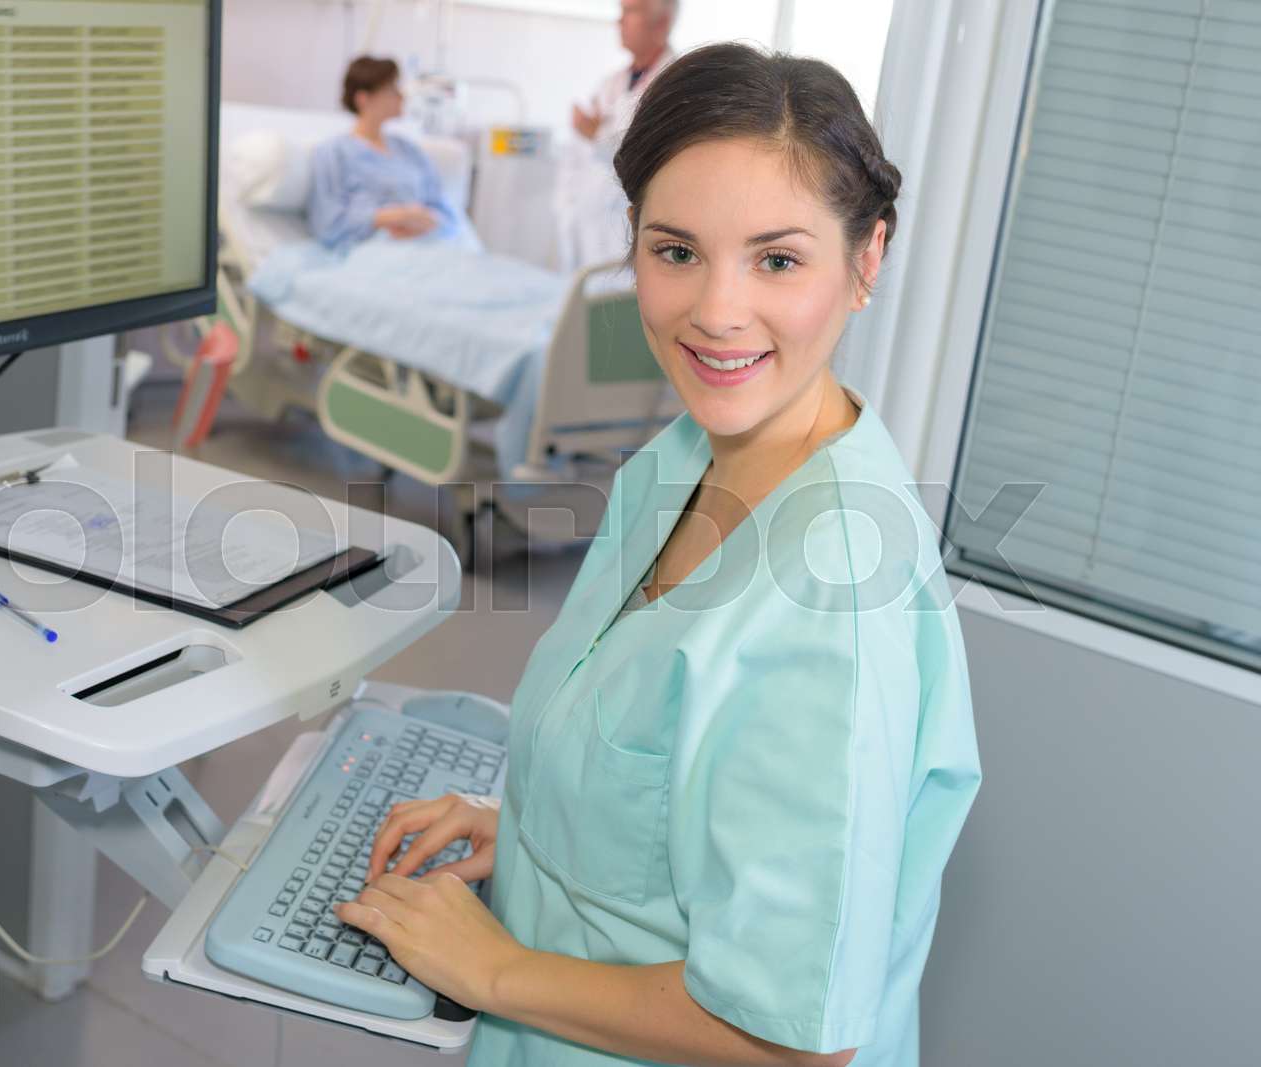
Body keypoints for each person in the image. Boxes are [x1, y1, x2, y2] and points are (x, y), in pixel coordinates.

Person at [335, 43, 983, 1067]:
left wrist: (494, 969)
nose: (715, 312)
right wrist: (541, 840)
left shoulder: (831, 608)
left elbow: (793, 1036)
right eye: (675, 251)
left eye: (777, 258)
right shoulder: (683, 458)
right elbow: (668, 783)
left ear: (866, 261)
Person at [557, 0, 679, 272]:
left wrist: (595, 133)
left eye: (630, 12)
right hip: (590, 222)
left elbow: (649, 156)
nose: (619, 21)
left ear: (660, 24)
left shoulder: (673, 87)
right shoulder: (611, 83)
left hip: (627, 227)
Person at [307, 56, 472, 253]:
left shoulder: (410, 151)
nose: (401, 96)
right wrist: (392, 217)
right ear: (363, 98)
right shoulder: (334, 153)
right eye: (392, 89)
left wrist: (425, 223)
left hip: (427, 248)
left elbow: (448, 216)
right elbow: (327, 224)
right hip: (369, 254)